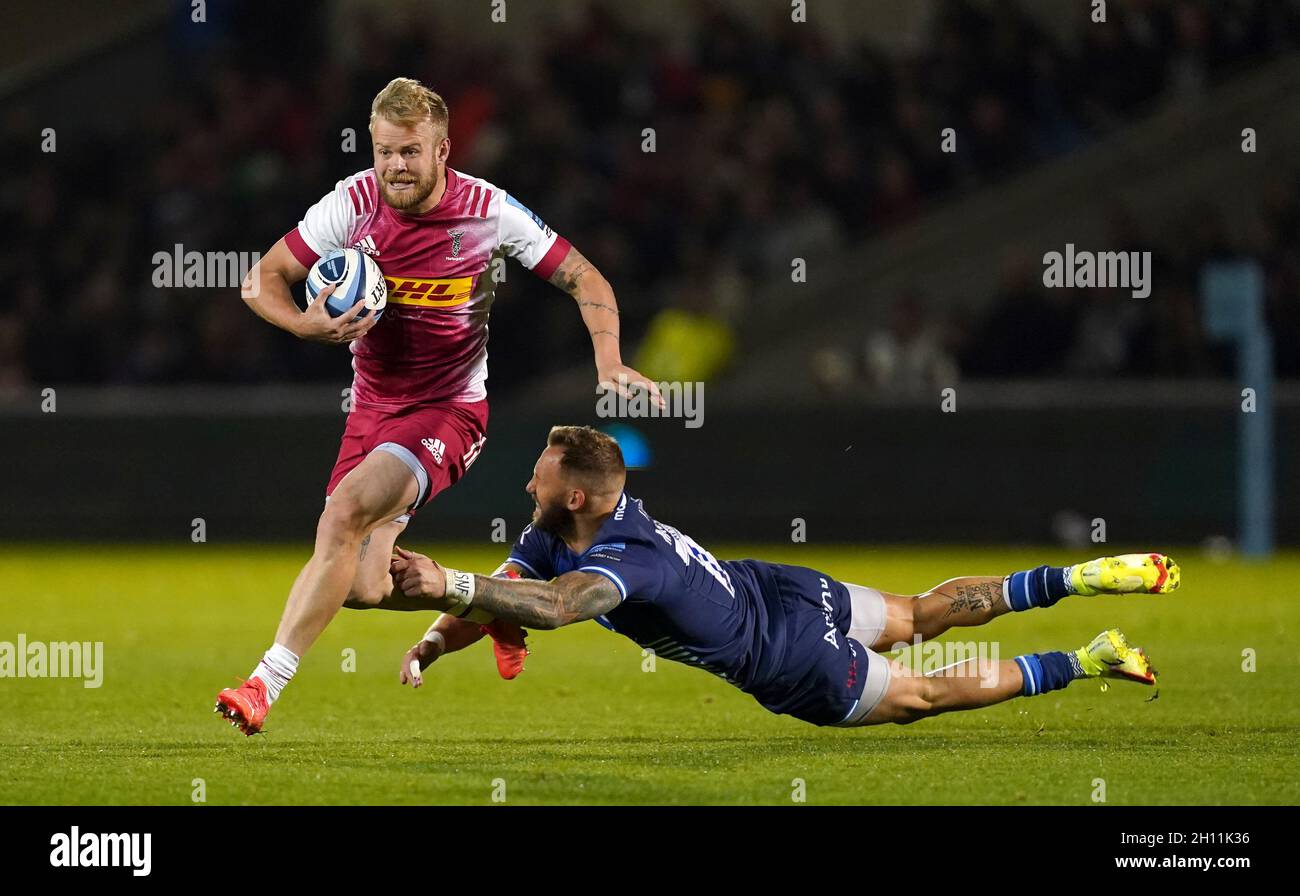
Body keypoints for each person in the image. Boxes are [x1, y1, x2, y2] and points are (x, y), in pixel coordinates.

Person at [214, 79, 660, 736]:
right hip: (369, 412)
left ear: (443, 150)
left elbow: (582, 276)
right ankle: (489, 605)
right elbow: (261, 279)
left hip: (447, 412)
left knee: (341, 516)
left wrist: (609, 359)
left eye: (411, 152)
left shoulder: (487, 211)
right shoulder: (351, 205)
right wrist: (304, 326)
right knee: (362, 586)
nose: (396, 166)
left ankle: (263, 684)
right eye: (386, 151)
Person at [392, 426, 1179, 727]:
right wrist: (435, 638)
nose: (526, 488)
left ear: (572, 495)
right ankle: (1074, 578)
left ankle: (1087, 659)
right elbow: (513, 583)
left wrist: (449, 584)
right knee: (919, 611)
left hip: (789, 660)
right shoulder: (571, 522)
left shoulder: (622, 560)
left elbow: (558, 608)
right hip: (779, 587)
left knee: (923, 693)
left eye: (536, 478)